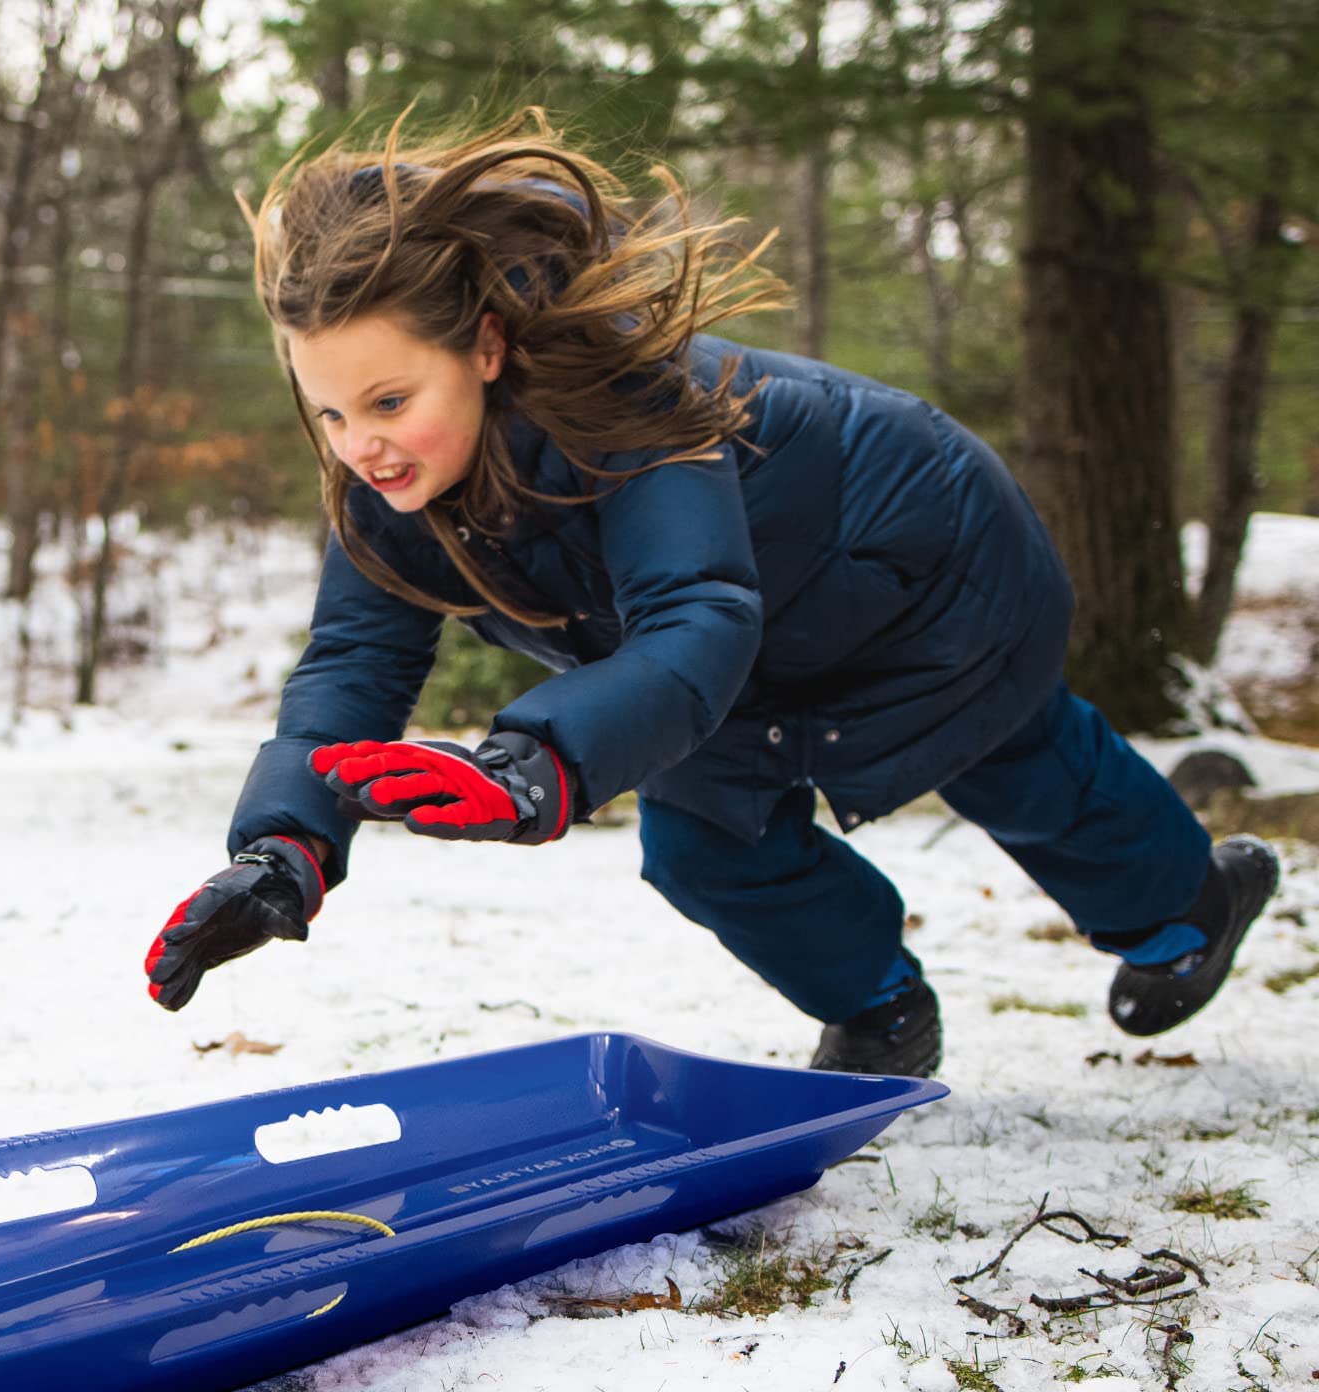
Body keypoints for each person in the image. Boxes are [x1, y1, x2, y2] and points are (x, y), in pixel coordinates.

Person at [143, 114, 1278, 1075]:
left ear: (484, 347)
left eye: (389, 401)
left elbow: (697, 618)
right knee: (701, 841)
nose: (362, 445)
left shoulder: (632, 405)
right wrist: (283, 851)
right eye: (331, 413)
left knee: (1011, 759)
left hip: (919, 567)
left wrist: (532, 761)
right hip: (752, 642)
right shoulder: (391, 490)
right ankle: (881, 1008)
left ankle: (1190, 910)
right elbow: (353, 663)